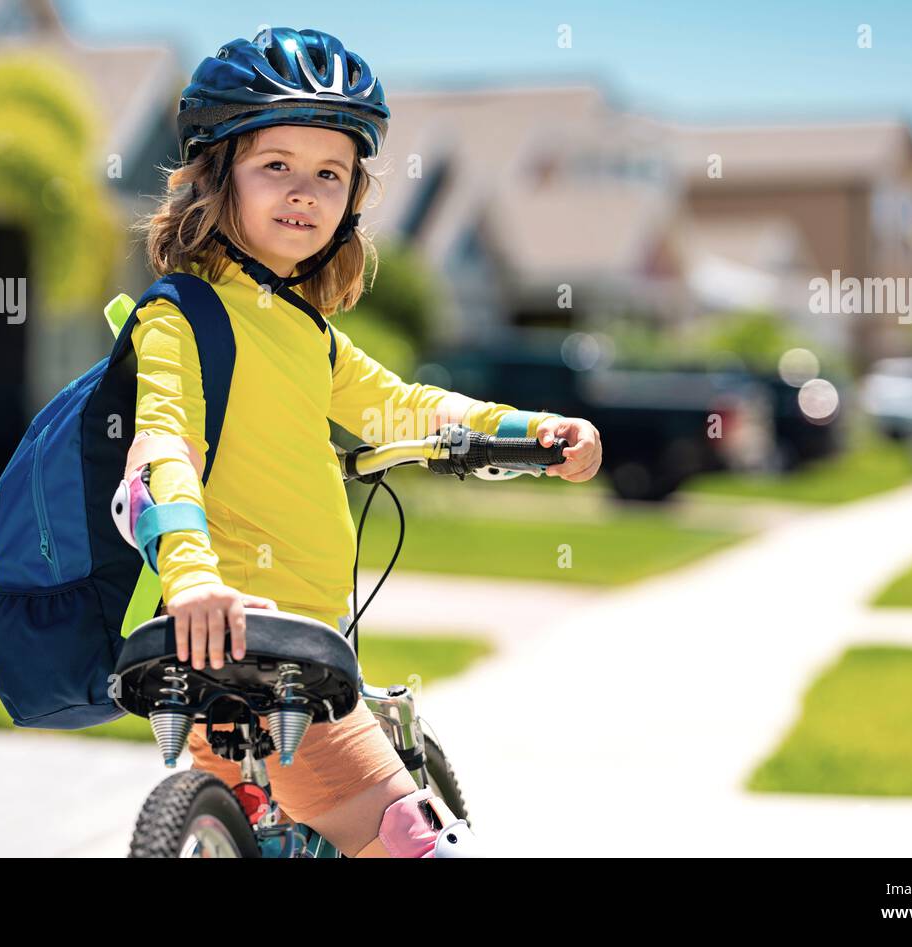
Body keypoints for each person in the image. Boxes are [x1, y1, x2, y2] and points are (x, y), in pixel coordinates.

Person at [130, 27, 602, 857]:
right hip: (251, 644)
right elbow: (156, 453)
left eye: (329, 172)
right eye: (275, 164)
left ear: (351, 198)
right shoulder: (182, 318)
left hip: (285, 647)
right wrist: (194, 575)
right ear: (216, 174)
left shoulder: (303, 333)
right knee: (423, 847)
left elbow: (407, 409)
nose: (303, 191)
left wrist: (535, 430)